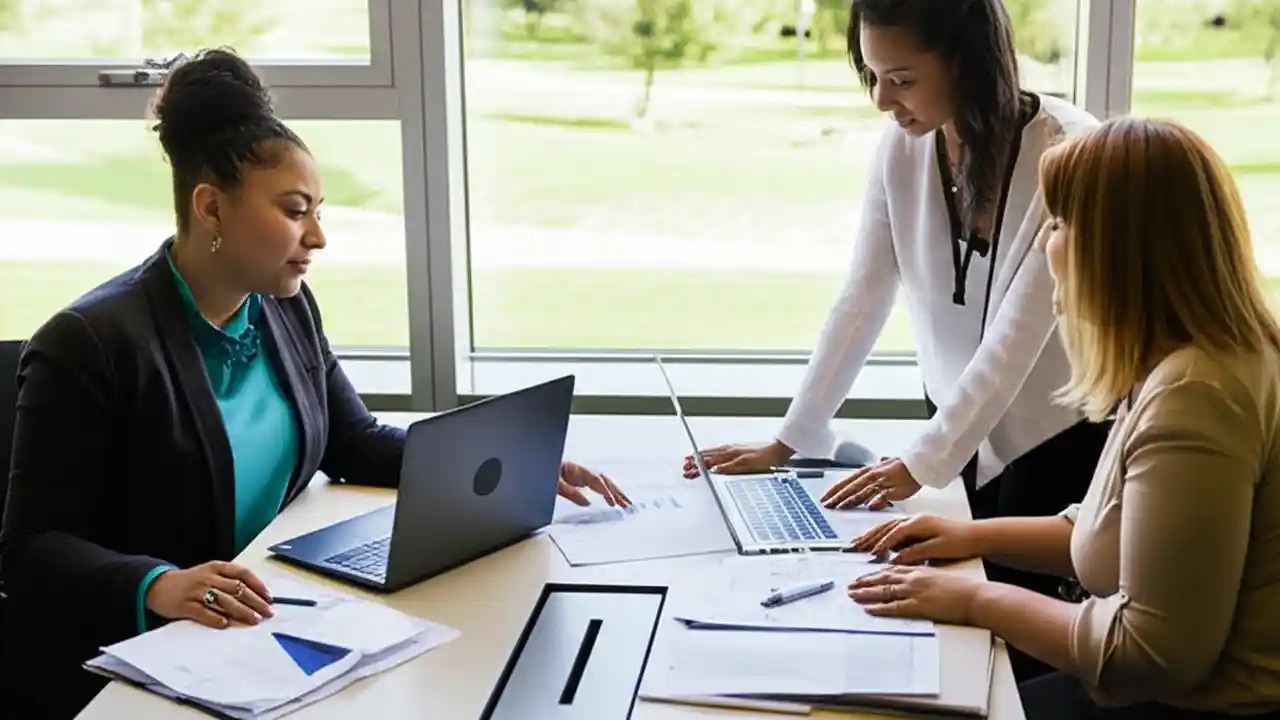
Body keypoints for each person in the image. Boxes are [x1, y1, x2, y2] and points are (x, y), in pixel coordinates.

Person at [0, 48, 628, 718]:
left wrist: (506, 466)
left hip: (264, 626)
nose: (319, 236)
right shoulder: (90, 343)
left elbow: (353, 442)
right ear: (211, 208)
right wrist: (160, 583)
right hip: (142, 659)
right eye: (296, 210)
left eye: (317, 210)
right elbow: (32, 549)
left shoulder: (283, 306)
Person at [848, 118, 1280, 719]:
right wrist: (968, 536)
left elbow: (1152, 654)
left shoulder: (1198, 396)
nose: (1045, 243)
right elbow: (1116, 531)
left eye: (1057, 223)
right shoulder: (1187, 361)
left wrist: (974, 599)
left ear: (1115, 250)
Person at [684, 0, 1109, 598]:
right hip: (950, 426)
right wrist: (791, 438)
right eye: (873, 76)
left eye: (902, 80)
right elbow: (863, 295)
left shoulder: (1070, 150)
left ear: (967, 63)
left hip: (1052, 439)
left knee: (1012, 634)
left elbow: (1020, 333)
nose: (882, 101)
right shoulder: (901, 147)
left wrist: (918, 464)